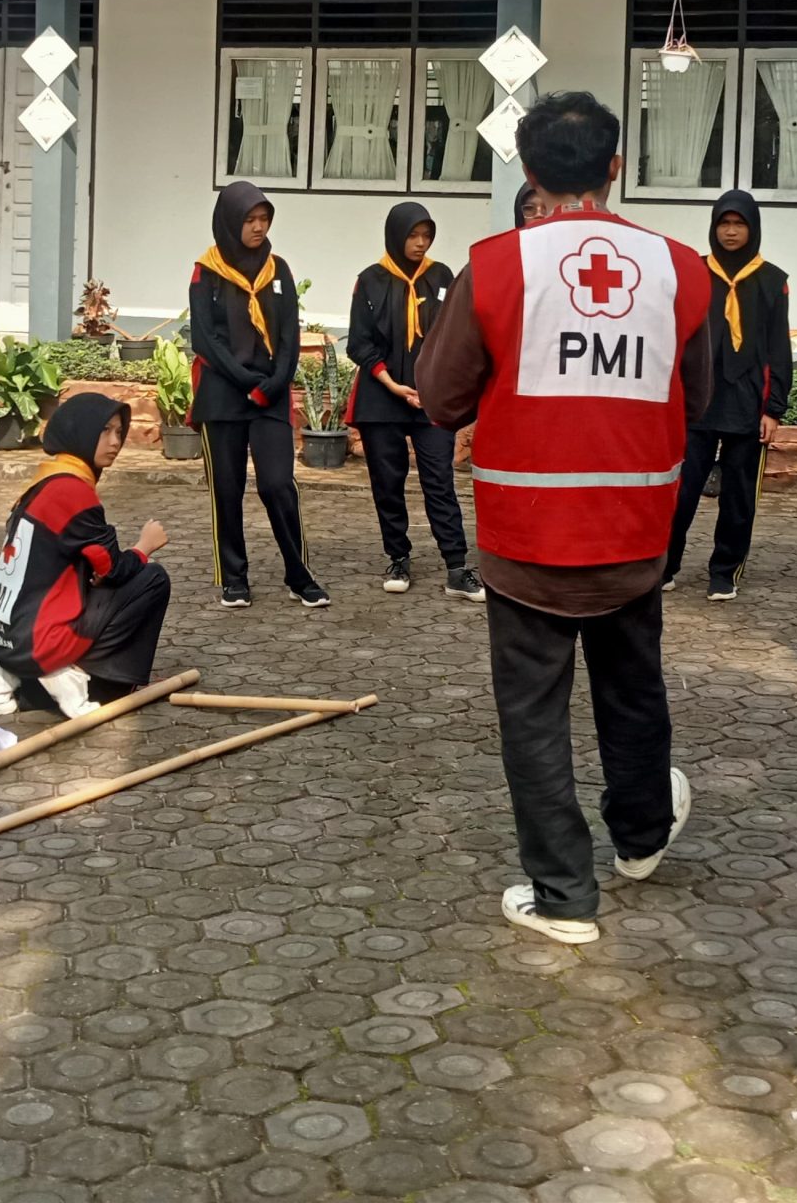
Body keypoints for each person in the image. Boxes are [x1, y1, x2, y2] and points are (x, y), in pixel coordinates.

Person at [418, 90, 710, 946]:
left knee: (534, 713)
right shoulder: (678, 269)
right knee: (633, 687)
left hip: (526, 539)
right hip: (631, 530)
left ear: (531, 171)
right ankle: (643, 838)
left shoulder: (499, 265)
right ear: (615, 167)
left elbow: (439, 397)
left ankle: (563, 897)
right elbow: (696, 392)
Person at [0, 393, 172, 716]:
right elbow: (114, 568)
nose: (115, 442)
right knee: (152, 578)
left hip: (4, 640)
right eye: (105, 431)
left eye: (119, 432)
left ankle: (27, 677)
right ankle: (109, 684)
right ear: (80, 432)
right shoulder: (74, 492)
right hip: (37, 642)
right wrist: (144, 546)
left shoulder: (45, 481)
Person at [188, 181, 326, 610]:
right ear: (230, 221)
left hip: (271, 395)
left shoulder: (278, 269)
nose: (258, 228)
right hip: (223, 395)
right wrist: (246, 380)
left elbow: (289, 333)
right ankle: (234, 577)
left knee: (278, 483)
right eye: (249, 220)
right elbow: (205, 339)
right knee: (226, 489)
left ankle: (298, 574)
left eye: (264, 220)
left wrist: (276, 380)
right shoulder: (205, 271)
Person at [345, 202, 477, 599]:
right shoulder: (369, 280)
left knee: (440, 481)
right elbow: (360, 343)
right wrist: (393, 385)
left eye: (426, 235)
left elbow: (453, 337)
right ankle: (398, 558)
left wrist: (435, 386)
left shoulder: (442, 277)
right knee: (388, 482)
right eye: (413, 235)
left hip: (430, 398)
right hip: (382, 397)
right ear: (395, 235)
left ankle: (456, 566)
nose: (420, 243)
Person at [664, 190, 791, 601]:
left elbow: (778, 349)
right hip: (698, 399)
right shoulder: (694, 273)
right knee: (680, 491)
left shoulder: (772, 280)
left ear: (752, 229)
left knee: (739, 496)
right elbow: (677, 337)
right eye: (724, 223)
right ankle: (665, 565)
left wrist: (774, 409)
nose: (731, 231)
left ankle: (724, 571)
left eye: (739, 224)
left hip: (747, 402)